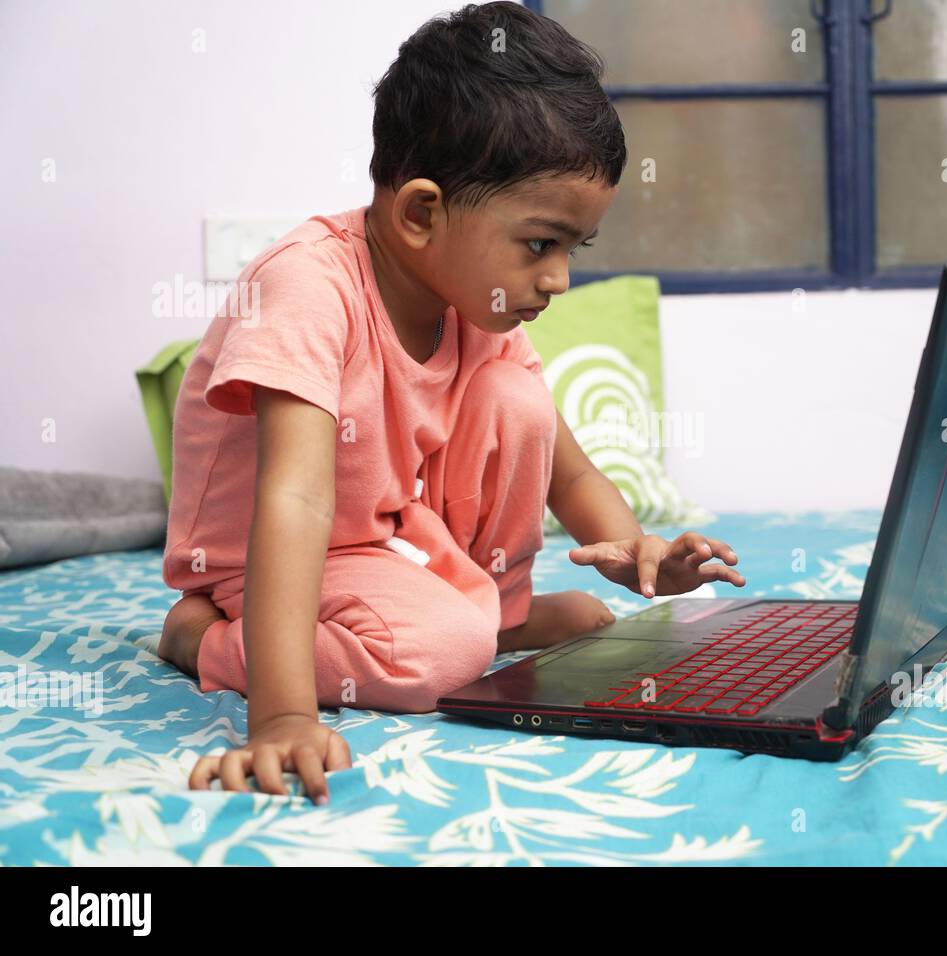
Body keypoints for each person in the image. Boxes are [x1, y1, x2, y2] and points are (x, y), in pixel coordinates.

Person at [157, 2, 745, 804]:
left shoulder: (477, 304)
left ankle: (494, 618)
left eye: (575, 249)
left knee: (519, 400)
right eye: (542, 244)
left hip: (393, 534)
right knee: (433, 658)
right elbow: (293, 498)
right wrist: (283, 715)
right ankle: (204, 640)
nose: (560, 278)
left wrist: (636, 551)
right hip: (278, 554)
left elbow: (565, 470)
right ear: (422, 213)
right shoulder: (305, 286)